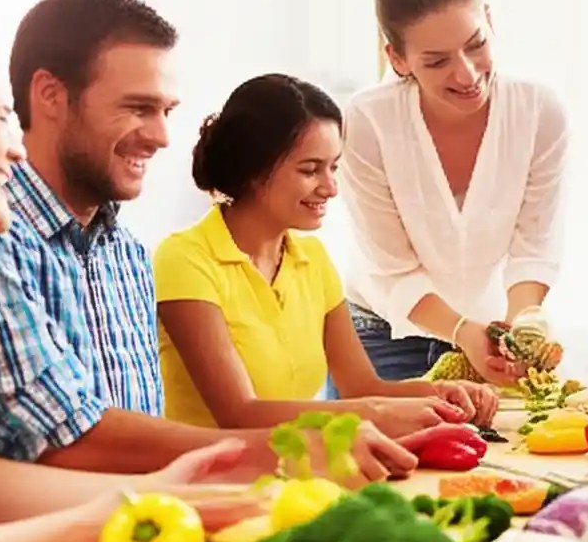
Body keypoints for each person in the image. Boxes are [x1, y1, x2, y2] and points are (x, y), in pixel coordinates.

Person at [0, 0, 420, 480]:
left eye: (166, 111)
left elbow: (144, 441)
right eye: (138, 108)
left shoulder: (126, 255)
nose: (163, 136)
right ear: (51, 95)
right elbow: (58, 438)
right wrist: (298, 447)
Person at [0, 8, 267, 542]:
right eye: (2, 116)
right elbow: (59, 443)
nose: (14, 149)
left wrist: (171, 495)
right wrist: (89, 528)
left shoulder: (130, 253)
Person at [155, 73, 499, 434]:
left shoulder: (312, 257)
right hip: (211, 480)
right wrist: (376, 413)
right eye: (310, 170)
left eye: (334, 167)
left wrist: (442, 393)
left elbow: (362, 388)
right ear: (252, 168)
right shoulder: (185, 259)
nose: (331, 188)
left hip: (299, 471)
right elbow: (240, 414)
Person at [337, 0, 568, 384]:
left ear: (490, 21)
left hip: (489, 331)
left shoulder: (539, 112)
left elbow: (534, 247)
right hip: (382, 336)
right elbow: (392, 268)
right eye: (437, 61)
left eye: (475, 44)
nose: (466, 73)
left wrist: (518, 334)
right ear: (397, 59)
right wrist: (463, 333)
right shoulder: (366, 122)